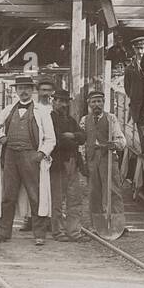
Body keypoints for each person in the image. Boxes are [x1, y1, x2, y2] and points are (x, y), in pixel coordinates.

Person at [0, 74, 55, 245]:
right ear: (16, 91)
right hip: (10, 156)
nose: (24, 91)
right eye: (20, 88)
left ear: (32, 90)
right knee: (7, 195)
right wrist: (1, 138)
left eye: (27, 88)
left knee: (35, 196)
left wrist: (40, 154)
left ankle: (39, 234)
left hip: (31, 157)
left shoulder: (42, 111)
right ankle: (3, 233)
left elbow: (50, 138)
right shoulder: (9, 109)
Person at [82, 86, 126, 235]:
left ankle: (118, 223)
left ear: (104, 103)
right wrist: (83, 160)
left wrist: (113, 144)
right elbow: (81, 142)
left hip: (108, 159)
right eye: (94, 102)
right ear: (89, 104)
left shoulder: (111, 118)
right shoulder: (84, 120)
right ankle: (96, 225)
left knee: (112, 190)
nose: (97, 105)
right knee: (94, 192)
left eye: (100, 101)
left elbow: (122, 141)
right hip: (92, 159)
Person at [49, 88, 87, 241]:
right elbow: (55, 140)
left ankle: (74, 232)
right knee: (57, 199)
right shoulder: (49, 119)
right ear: (54, 102)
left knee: (74, 198)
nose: (64, 104)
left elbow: (83, 136)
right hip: (58, 163)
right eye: (60, 101)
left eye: (66, 101)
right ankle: (57, 231)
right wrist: (72, 139)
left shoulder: (70, 120)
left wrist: (72, 135)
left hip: (73, 162)